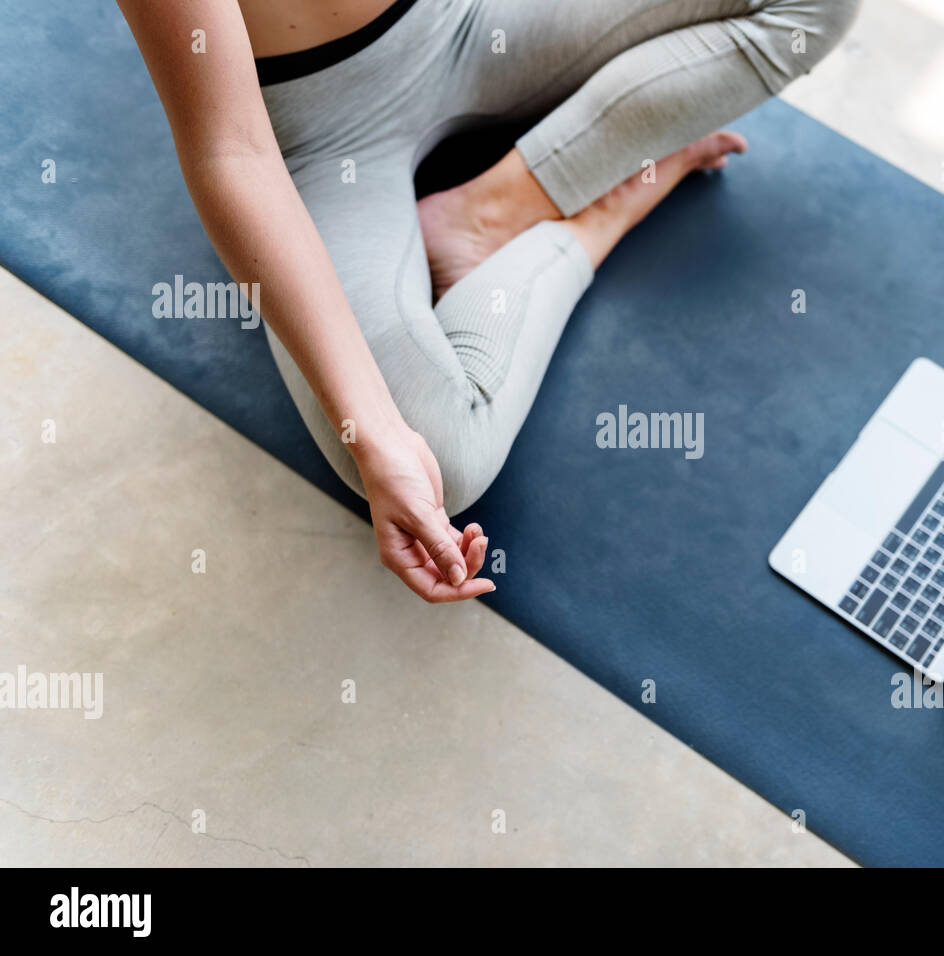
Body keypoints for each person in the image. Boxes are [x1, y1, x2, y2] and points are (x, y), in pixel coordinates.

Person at [118, 0, 859, 602]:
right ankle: (603, 208)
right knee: (440, 462)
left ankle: (497, 208)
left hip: (470, 21)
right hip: (318, 131)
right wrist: (376, 434)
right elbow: (230, 154)